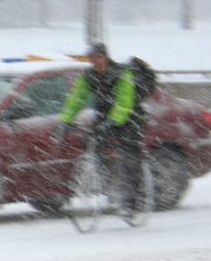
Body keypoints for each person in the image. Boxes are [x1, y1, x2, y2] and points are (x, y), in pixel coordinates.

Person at [57, 42, 146, 213]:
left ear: (105, 57)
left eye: (98, 57)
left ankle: (130, 200)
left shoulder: (121, 74)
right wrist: (65, 121)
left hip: (130, 117)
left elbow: (124, 102)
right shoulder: (88, 76)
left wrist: (113, 122)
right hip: (104, 116)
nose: (94, 62)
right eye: (91, 58)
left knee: (128, 154)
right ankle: (108, 186)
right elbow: (76, 99)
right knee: (94, 145)